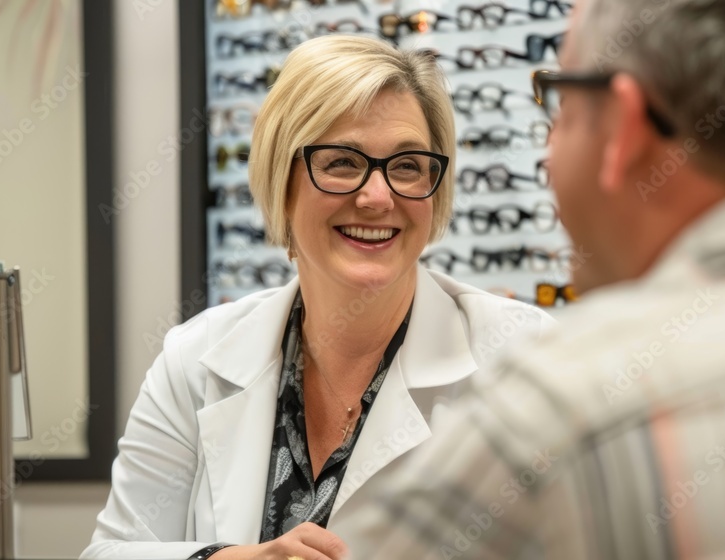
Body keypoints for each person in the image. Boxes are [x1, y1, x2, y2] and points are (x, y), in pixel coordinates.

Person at [335, 1, 725, 558]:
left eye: (560, 101)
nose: (545, 153)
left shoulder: (558, 413)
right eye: (341, 162)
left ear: (623, 128)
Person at [82, 35, 555, 560]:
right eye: (341, 163)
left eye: (406, 166)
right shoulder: (196, 360)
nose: (378, 197)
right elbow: (111, 552)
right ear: (280, 182)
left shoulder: (526, 359)